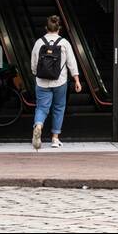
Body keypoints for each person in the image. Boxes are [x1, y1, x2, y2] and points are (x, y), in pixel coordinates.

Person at [30, 15, 81, 149]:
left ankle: (39, 125)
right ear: (59, 28)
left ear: (46, 28)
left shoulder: (39, 42)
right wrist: (76, 80)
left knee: (41, 107)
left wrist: (36, 74)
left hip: (42, 82)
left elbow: (34, 63)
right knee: (58, 108)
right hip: (60, 82)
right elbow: (72, 63)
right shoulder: (64, 43)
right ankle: (55, 139)